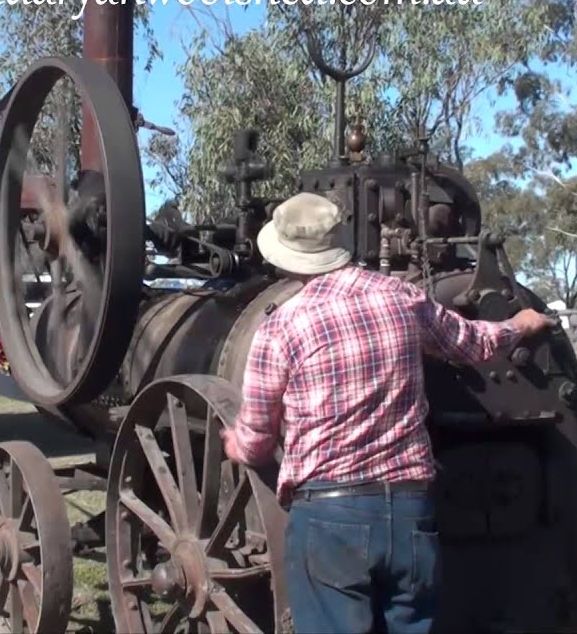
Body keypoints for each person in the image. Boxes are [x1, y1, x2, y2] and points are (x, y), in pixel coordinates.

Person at [221, 192, 556, 634]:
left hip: (329, 518)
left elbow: (257, 440)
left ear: (287, 258)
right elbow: (472, 343)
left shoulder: (281, 327)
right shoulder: (402, 297)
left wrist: (236, 445)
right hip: (409, 514)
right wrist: (519, 325)